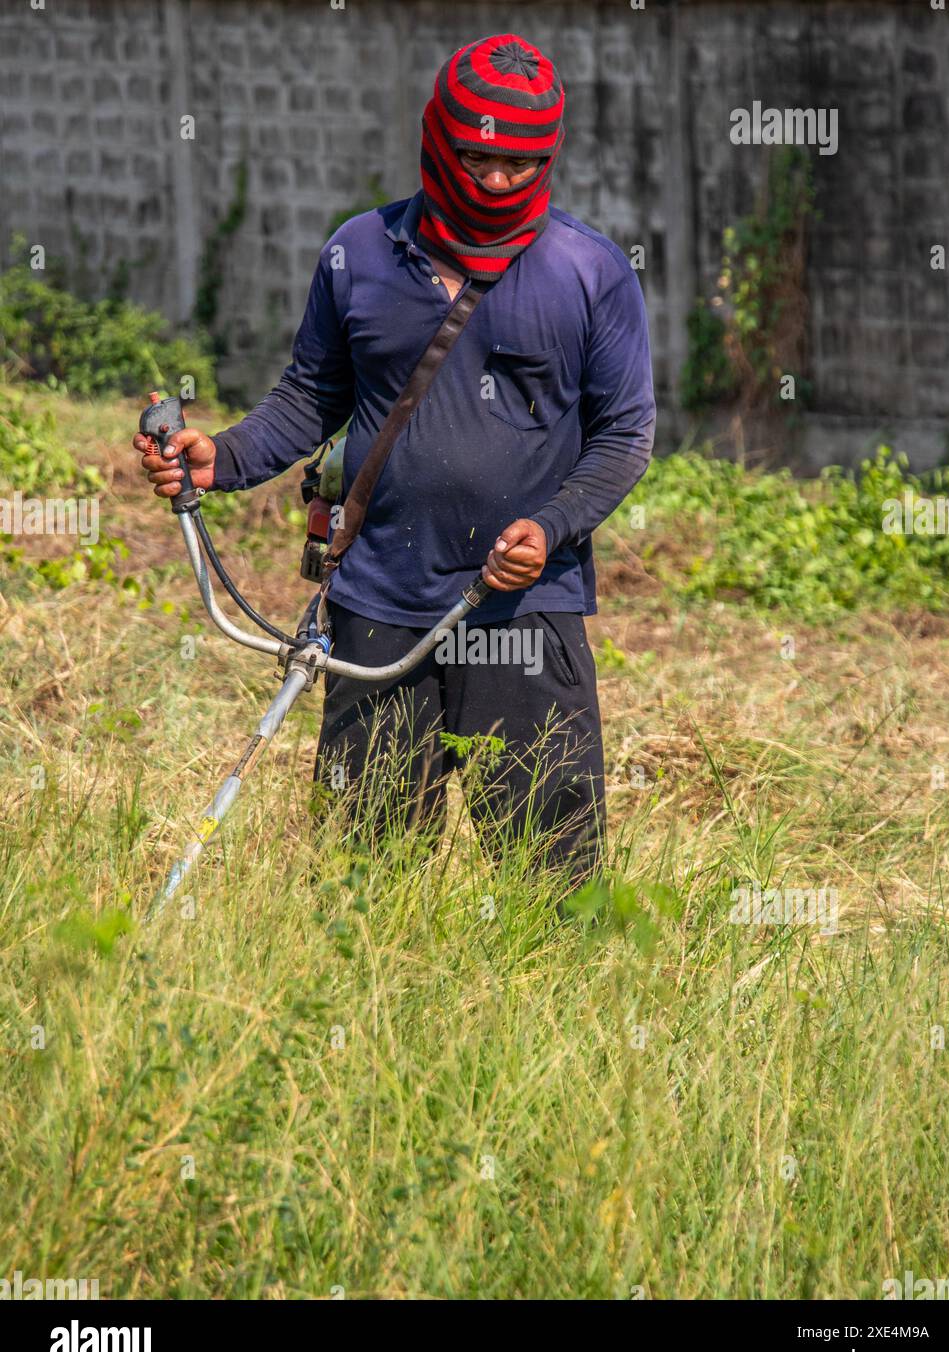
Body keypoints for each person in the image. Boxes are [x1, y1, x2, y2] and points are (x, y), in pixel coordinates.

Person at [135, 32, 656, 887]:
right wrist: (216, 460)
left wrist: (551, 526)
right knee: (365, 885)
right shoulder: (359, 254)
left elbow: (623, 438)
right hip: (376, 606)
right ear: (436, 139)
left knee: (553, 886)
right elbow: (310, 398)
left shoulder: (588, 272)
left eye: (517, 166)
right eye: (477, 156)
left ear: (548, 158)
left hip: (520, 615)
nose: (494, 181)